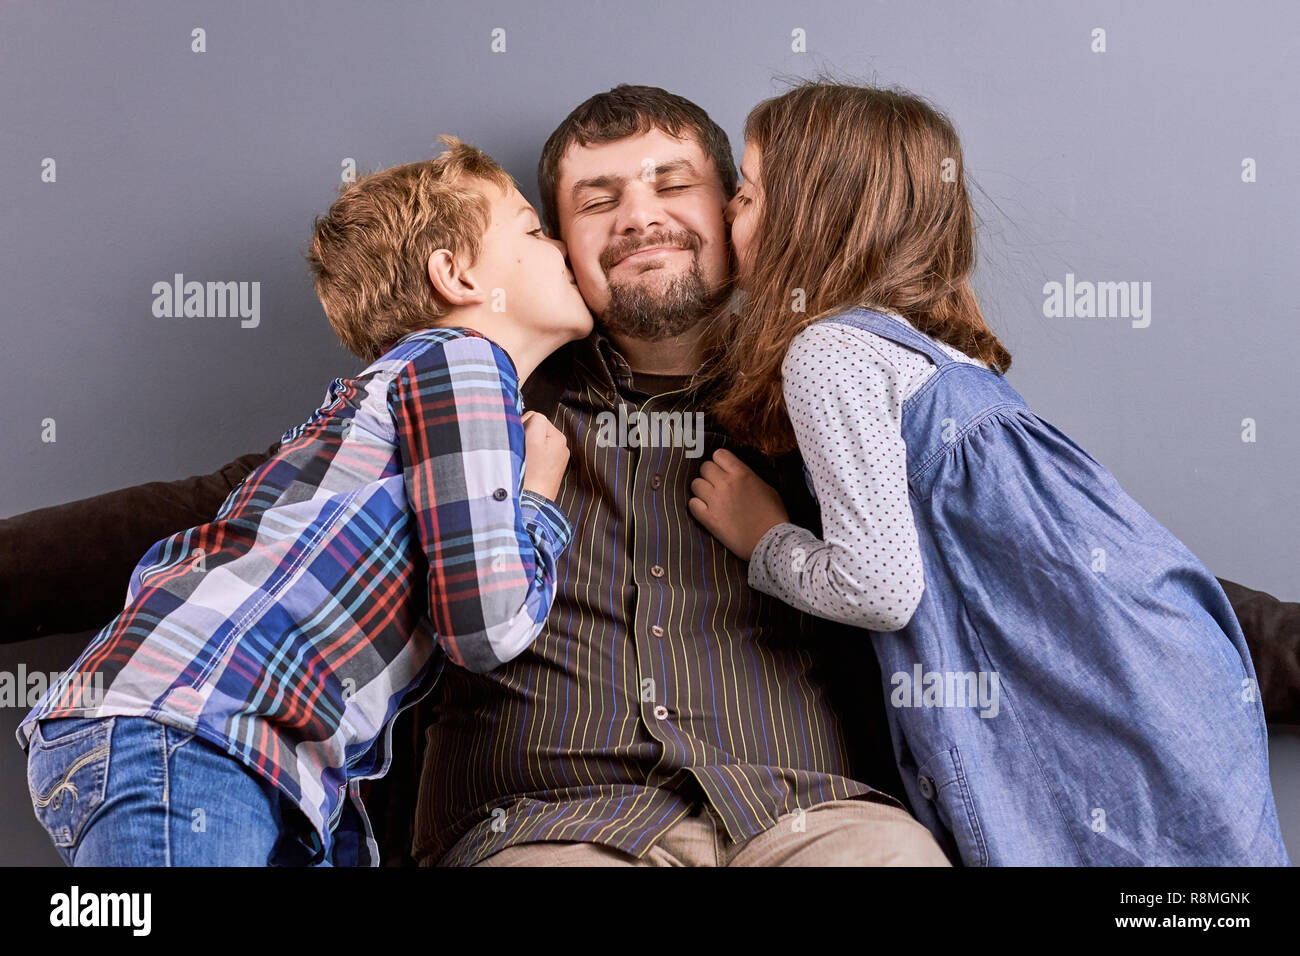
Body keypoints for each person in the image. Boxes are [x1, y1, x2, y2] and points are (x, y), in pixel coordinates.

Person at [3, 86, 1298, 867]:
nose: (642, 214)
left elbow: (1076, 581)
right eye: (594, 198)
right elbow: (211, 524)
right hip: (544, 828)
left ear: (743, 218)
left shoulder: (836, 399)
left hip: (816, 818)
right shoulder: (465, 417)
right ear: (556, 248)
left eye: (678, 181)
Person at [687, 81, 1291, 865]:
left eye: (745, 193)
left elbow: (879, 587)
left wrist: (767, 539)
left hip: (1085, 705)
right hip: (1169, 671)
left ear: (808, 214)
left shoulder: (828, 352)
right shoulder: (942, 357)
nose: (729, 214)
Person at [16, 137, 590, 866]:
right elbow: (484, 623)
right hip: (198, 734)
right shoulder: (462, 361)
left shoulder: (389, 400)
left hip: (228, 754)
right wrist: (538, 500)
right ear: (456, 274)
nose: (562, 246)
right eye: (534, 230)